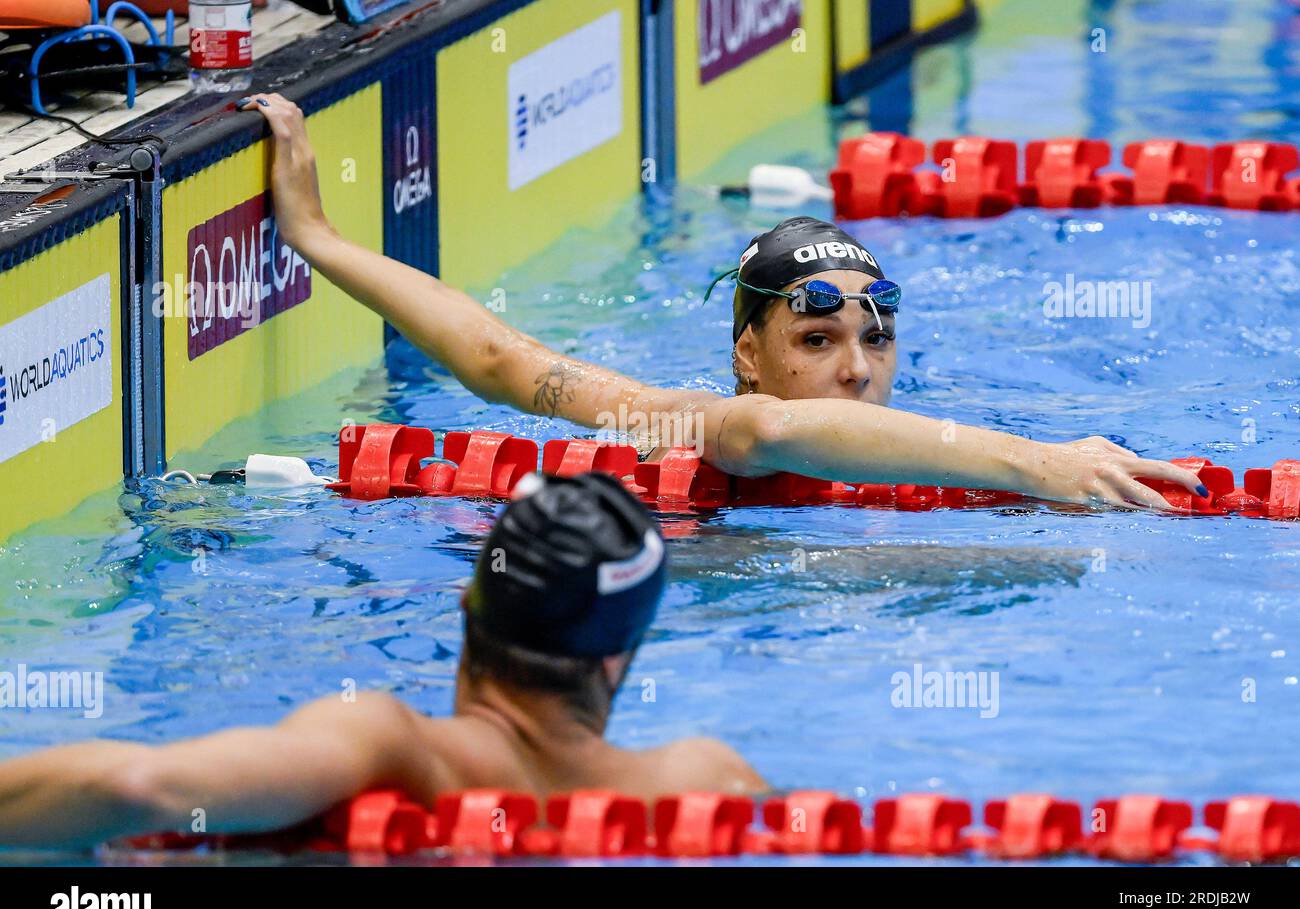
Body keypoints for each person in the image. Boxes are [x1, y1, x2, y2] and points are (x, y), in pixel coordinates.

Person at [234, 93, 1206, 511]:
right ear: (748, 350)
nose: (857, 367)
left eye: (876, 336)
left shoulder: (945, 450)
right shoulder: (689, 422)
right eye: (816, 336)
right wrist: (317, 237)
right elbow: (500, 361)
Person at [0, 473, 766, 850]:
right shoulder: (705, 780)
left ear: (468, 610)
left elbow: (135, 786)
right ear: (617, 660)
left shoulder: (393, 748)